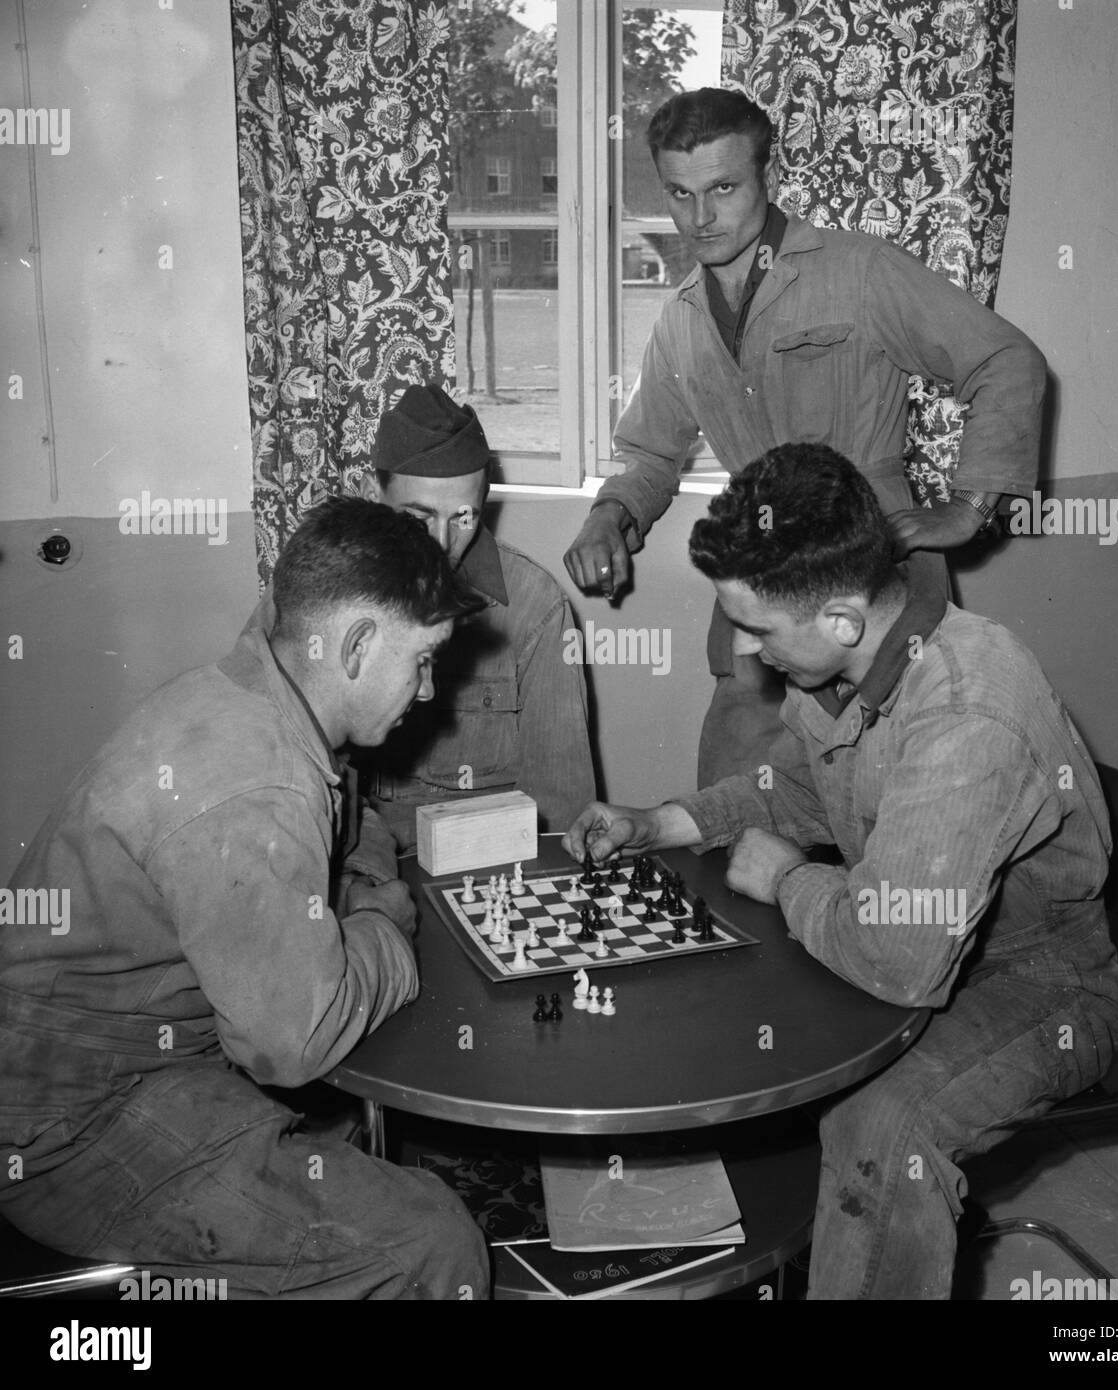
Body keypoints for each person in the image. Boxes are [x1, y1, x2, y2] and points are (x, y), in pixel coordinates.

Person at [564, 444, 1118, 1300]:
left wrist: (791, 882)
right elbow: (796, 786)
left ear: (838, 617)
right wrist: (661, 823)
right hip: (926, 939)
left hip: (1044, 984)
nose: (747, 655)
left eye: (755, 628)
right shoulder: (854, 658)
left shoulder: (968, 711)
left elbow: (897, 958)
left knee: (880, 1126)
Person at [0, 498, 490, 1299]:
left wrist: (362, 874)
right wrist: (383, 929)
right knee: (426, 1244)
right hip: (67, 1119)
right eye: (425, 659)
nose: (430, 690)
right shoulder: (255, 778)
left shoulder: (256, 686)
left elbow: (340, 811)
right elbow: (294, 1042)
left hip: (115, 1056)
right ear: (360, 646)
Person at [562, 88, 1047, 788]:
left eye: (723, 188)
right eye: (679, 192)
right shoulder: (680, 321)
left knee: (894, 823)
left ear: (768, 176)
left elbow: (1005, 360)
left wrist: (969, 509)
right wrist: (610, 515)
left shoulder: (859, 272)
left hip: (874, 589)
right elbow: (651, 454)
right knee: (730, 826)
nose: (701, 217)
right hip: (760, 614)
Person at [357, 383, 596, 846]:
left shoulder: (536, 605)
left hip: (484, 870)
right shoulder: (325, 589)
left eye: (463, 518)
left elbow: (562, 812)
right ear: (372, 494)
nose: (441, 545)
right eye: (418, 517)